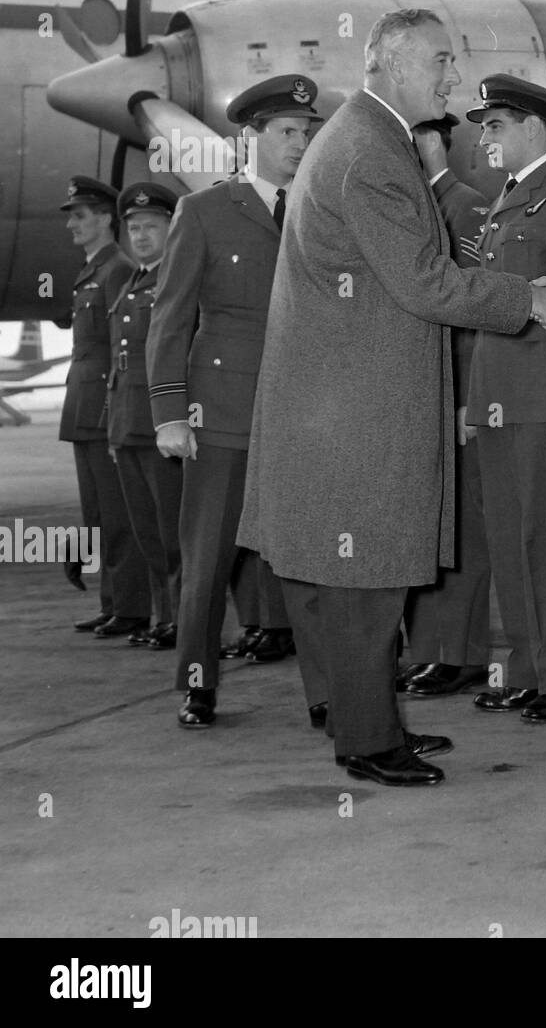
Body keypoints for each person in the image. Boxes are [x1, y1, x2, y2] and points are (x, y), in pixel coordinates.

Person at [238, 9, 546, 786]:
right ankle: (366, 741)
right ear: (389, 63)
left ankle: (369, 722)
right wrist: (530, 298)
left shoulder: (363, 139)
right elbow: (425, 281)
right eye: (440, 62)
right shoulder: (370, 151)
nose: (451, 78)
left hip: (344, 399)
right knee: (365, 583)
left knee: (355, 579)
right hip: (358, 409)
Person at [147, 75, 319, 728]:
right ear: (251, 138)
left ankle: (328, 692)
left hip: (302, 416)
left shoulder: (319, 210)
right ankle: (197, 682)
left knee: (310, 562)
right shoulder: (206, 212)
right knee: (208, 560)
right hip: (218, 417)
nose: (300, 143)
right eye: (287, 132)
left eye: (307, 132)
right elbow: (170, 319)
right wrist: (168, 414)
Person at [465, 76, 546, 723]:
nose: (483, 136)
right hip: (497, 396)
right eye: (482, 125)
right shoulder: (502, 203)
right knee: (507, 539)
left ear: (534, 128)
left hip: (543, 395)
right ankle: (524, 667)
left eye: (494, 124)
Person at [399, 114, 493, 699]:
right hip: (419, 391)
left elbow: (480, 305)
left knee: (461, 532)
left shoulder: (466, 206)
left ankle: (461, 653)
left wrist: (470, 398)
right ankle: (429, 649)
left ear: (430, 142)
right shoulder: (411, 206)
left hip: (455, 390)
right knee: (425, 526)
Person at [58, 175, 151, 638]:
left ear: (104, 218)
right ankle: (114, 602)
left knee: (118, 514)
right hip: (84, 405)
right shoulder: (93, 269)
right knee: (98, 511)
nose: (72, 224)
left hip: (101, 406)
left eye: (79, 215)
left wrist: (114, 409)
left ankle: (132, 606)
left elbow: (123, 347)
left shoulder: (115, 269)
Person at [105, 183, 183, 650]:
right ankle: (162, 614)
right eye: (133, 228)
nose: (140, 235)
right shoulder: (133, 281)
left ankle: (179, 619)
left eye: (150, 226)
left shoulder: (175, 280)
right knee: (148, 532)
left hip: (157, 423)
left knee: (171, 531)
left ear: (172, 228)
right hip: (127, 425)